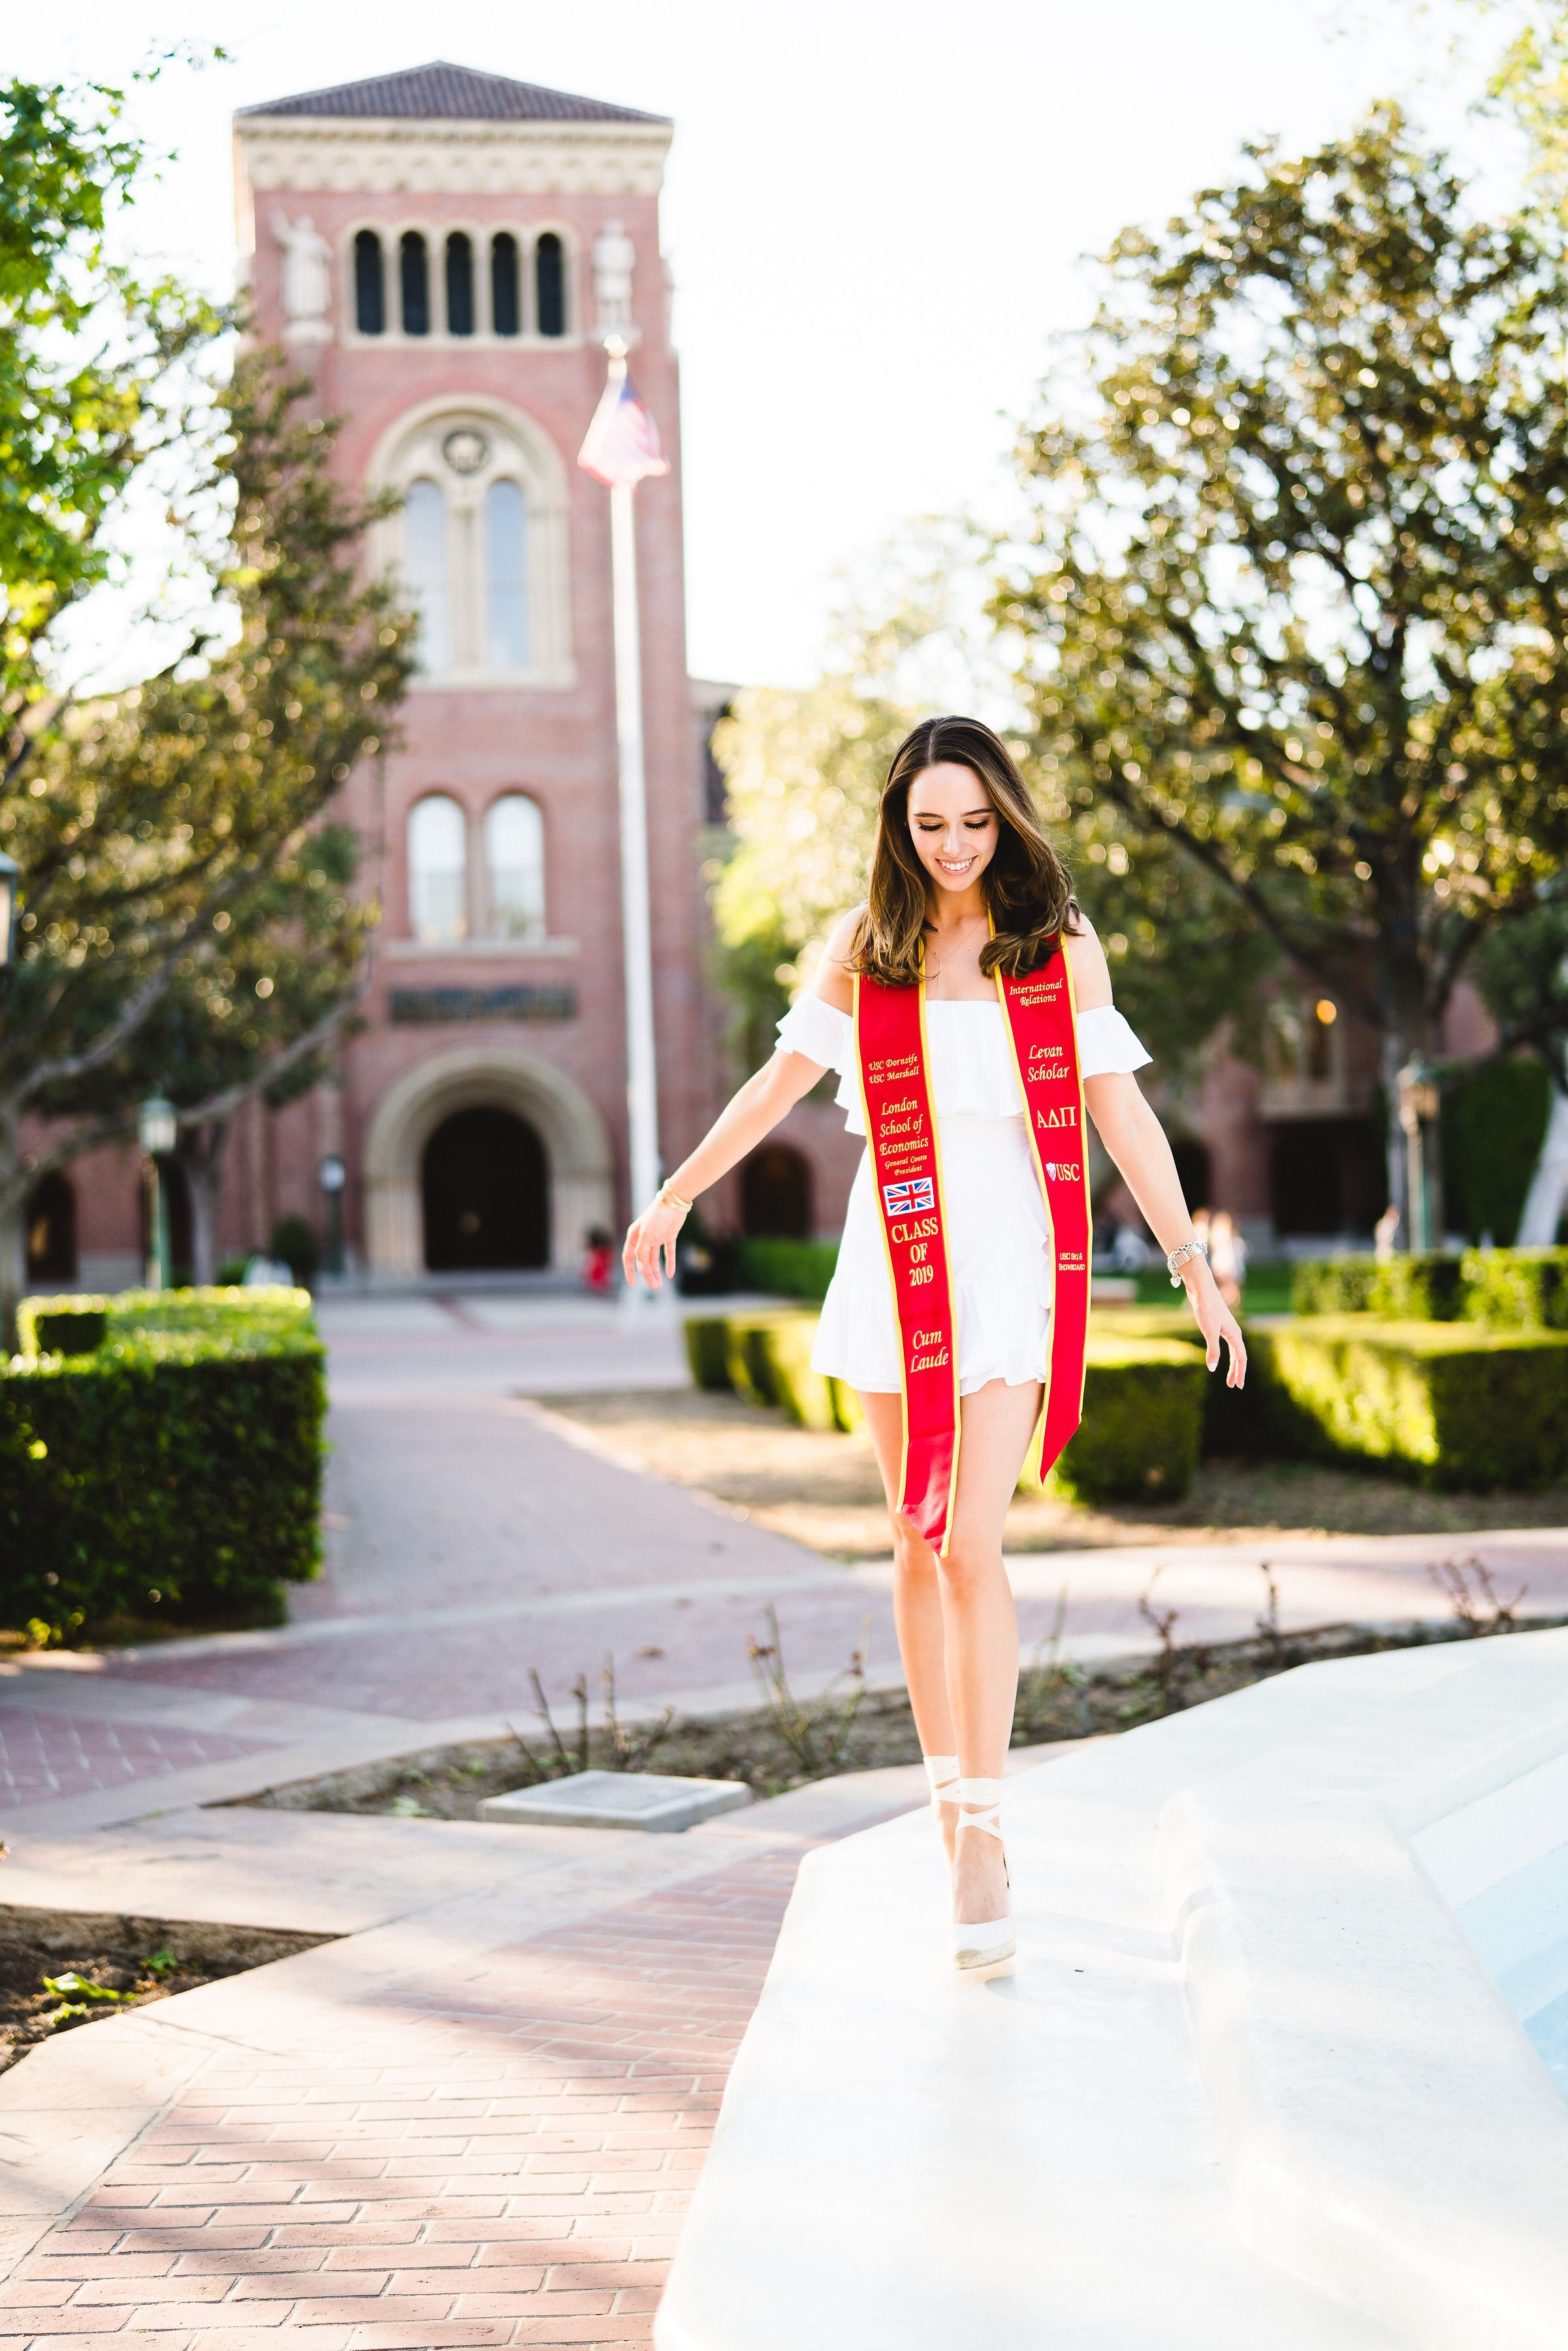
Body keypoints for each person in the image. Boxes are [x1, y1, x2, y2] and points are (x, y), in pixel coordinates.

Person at [623, 716, 1246, 1969]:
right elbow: (777, 1083)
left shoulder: (1053, 944)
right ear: (897, 829)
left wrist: (1190, 1263)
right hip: (893, 1253)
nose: (954, 845)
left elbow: (1118, 1107)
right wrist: (678, 1191)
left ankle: (984, 1835)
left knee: (968, 1539)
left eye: (973, 821)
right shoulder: (869, 946)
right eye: (929, 824)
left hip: (1008, 1259)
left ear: (1003, 818)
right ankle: (946, 1803)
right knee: (911, 1538)